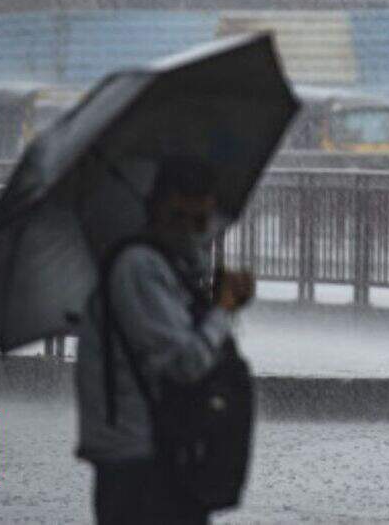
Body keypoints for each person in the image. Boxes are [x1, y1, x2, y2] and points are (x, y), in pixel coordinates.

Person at [75, 156, 255, 524]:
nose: (190, 231)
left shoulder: (167, 266)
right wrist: (222, 310)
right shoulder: (139, 267)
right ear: (156, 209)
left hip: (162, 453)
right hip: (139, 461)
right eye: (179, 217)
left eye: (200, 221)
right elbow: (185, 363)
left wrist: (218, 302)